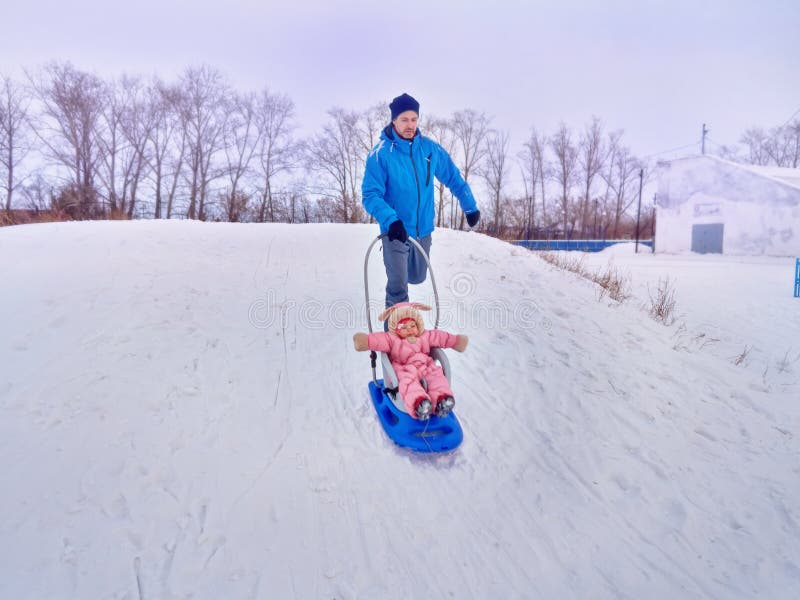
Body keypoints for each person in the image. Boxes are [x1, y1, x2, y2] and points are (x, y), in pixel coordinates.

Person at [362, 92, 481, 309]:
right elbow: (370, 195)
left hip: (423, 230)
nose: (410, 125)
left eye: (414, 119)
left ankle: (404, 328)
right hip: (395, 232)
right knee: (398, 289)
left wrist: (469, 206)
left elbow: (453, 177)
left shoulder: (429, 149)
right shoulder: (380, 155)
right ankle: (395, 339)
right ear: (393, 120)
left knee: (417, 277)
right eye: (404, 119)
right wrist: (391, 220)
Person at [353, 302, 469, 420]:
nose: (409, 329)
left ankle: (442, 400)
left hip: (426, 366)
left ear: (418, 325)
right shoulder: (392, 339)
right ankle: (419, 404)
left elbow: (440, 337)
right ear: (395, 329)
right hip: (404, 368)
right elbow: (378, 340)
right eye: (403, 327)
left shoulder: (425, 335)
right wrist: (366, 341)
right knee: (408, 384)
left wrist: (455, 341)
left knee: (436, 377)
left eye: (413, 325)